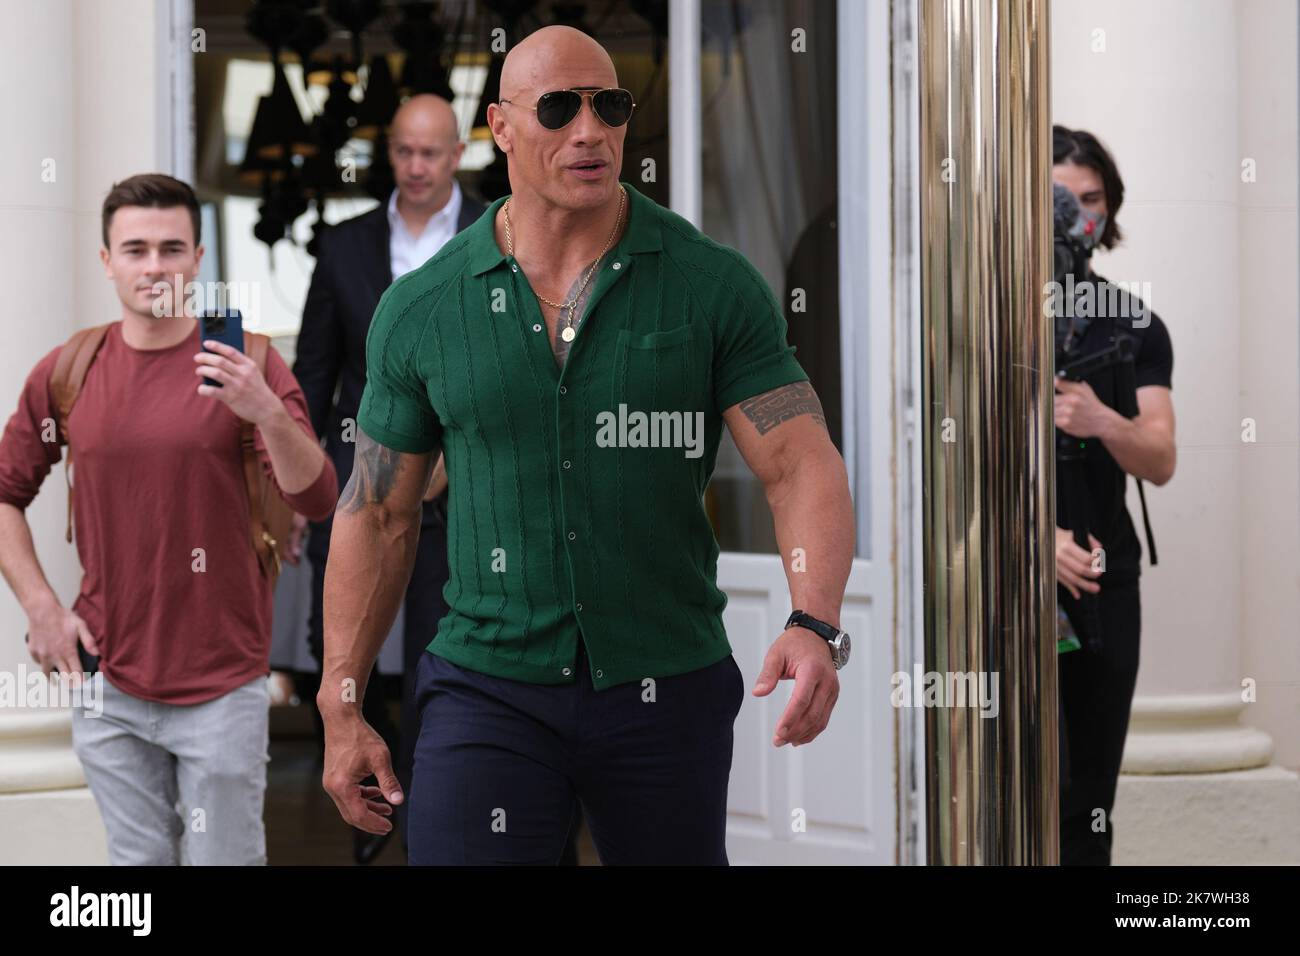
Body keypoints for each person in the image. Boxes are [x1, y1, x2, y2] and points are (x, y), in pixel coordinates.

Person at [317, 25, 855, 866]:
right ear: (499, 125)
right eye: (559, 108)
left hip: (664, 682)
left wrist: (814, 618)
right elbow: (378, 510)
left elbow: (798, 462)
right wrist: (341, 701)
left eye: (610, 106)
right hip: (485, 687)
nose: (589, 131)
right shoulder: (423, 307)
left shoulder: (710, 286)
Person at [0, 173, 338, 865]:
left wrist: (265, 410)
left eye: (171, 248)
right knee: (137, 870)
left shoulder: (253, 361)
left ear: (198, 257)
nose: (155, 265)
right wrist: (40, 606)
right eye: (135, 249)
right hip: (106, 677)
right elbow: (5, 491)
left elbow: (319, 498)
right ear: (107, 261)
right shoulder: (70, 370)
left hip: (223, 682)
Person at [294, 94, 485, 863]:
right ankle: (369, 811)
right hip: (360, 481)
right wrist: (307, 477)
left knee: (449, 652)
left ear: (459, 153)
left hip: (469, 488)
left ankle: (435, 803)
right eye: (403, 152)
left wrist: (448, 463)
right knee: (337, 648)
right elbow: (313, 372)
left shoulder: (500, 230)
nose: (415, 168)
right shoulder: (341, 247)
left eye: (430, 153)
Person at [1051, 126, 1177, 865]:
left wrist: (1102, 420)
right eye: (1060, 199)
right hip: (999, 581)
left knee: (1088, 799)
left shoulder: (1135, 322)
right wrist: (1031, 542)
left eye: (1090, 200)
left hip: (1104, 582)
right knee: (1000, 784)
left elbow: (1159, 458)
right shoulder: (980, 317)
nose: (1076, 218)